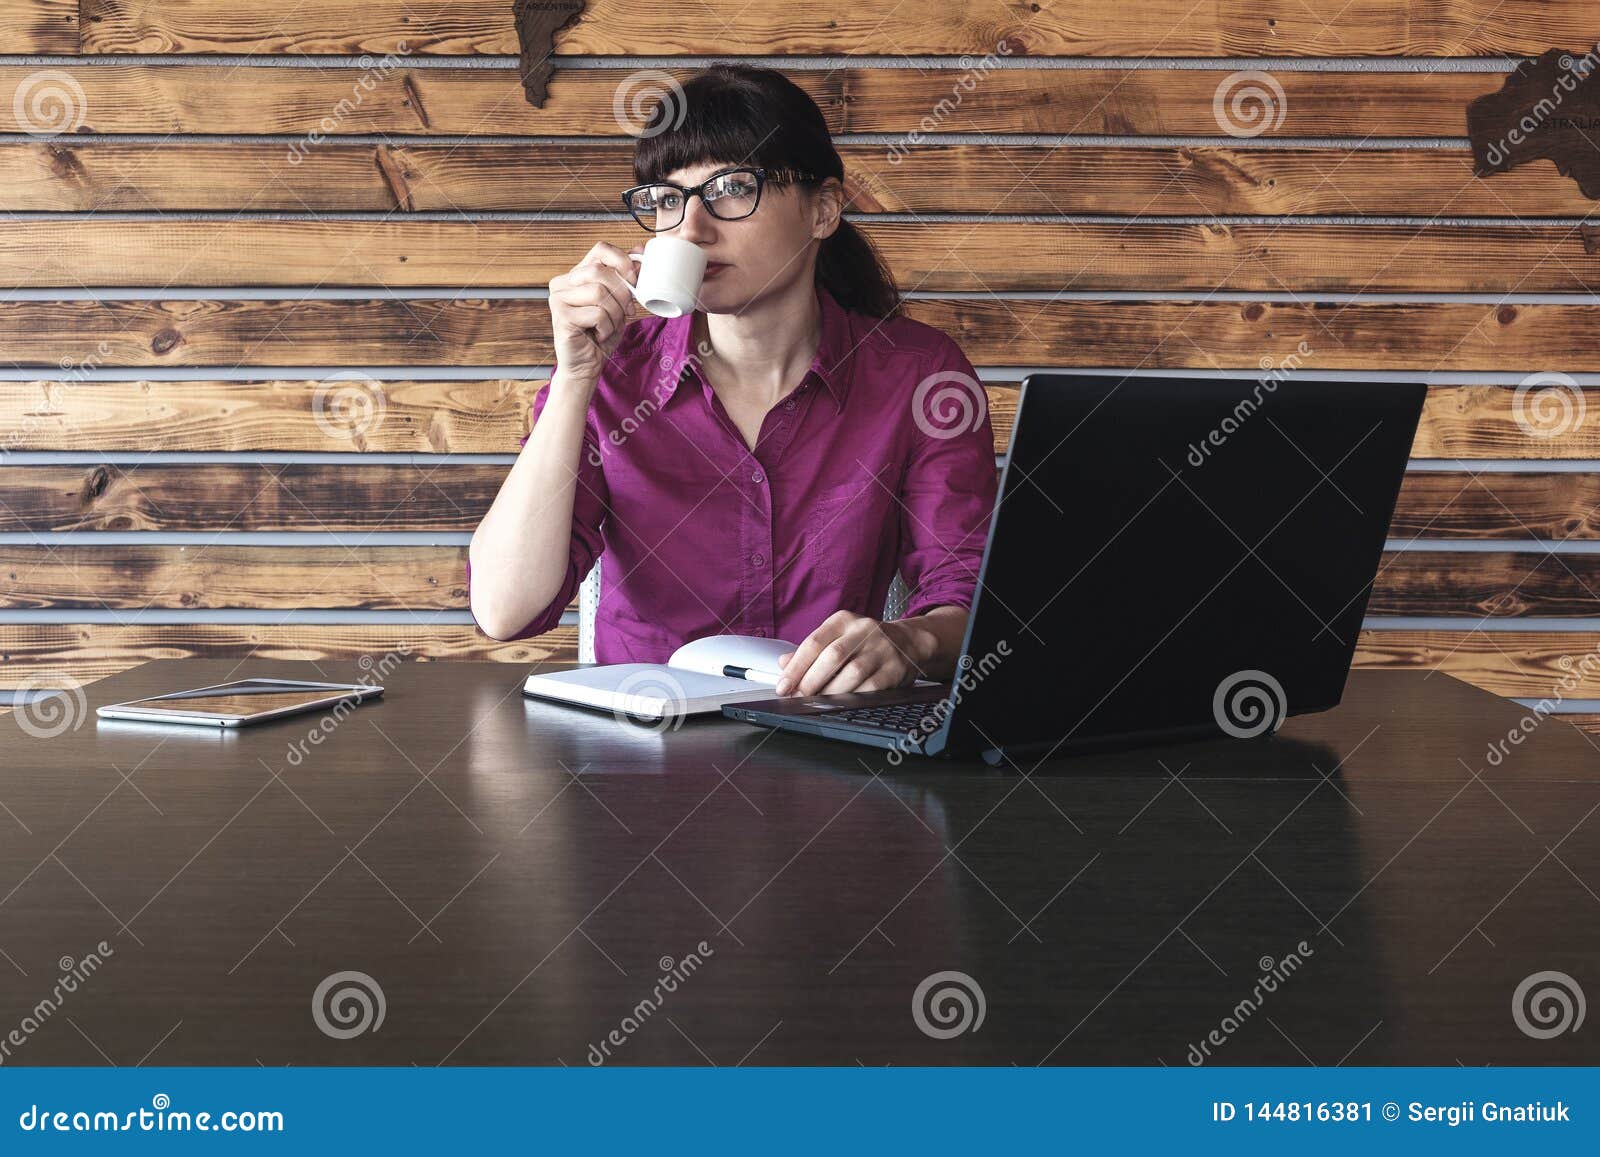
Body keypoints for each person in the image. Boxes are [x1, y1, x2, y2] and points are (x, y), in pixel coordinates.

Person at [468, 63, 997, 697]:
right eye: (667, 200)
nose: (691, 229)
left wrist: (908, 643)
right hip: (637, 755)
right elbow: (505, 610)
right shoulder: (611, 380)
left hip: (831, 746)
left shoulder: (918, 376)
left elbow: (969, 595)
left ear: (823, 210)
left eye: (729, 188)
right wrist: (577, 378)